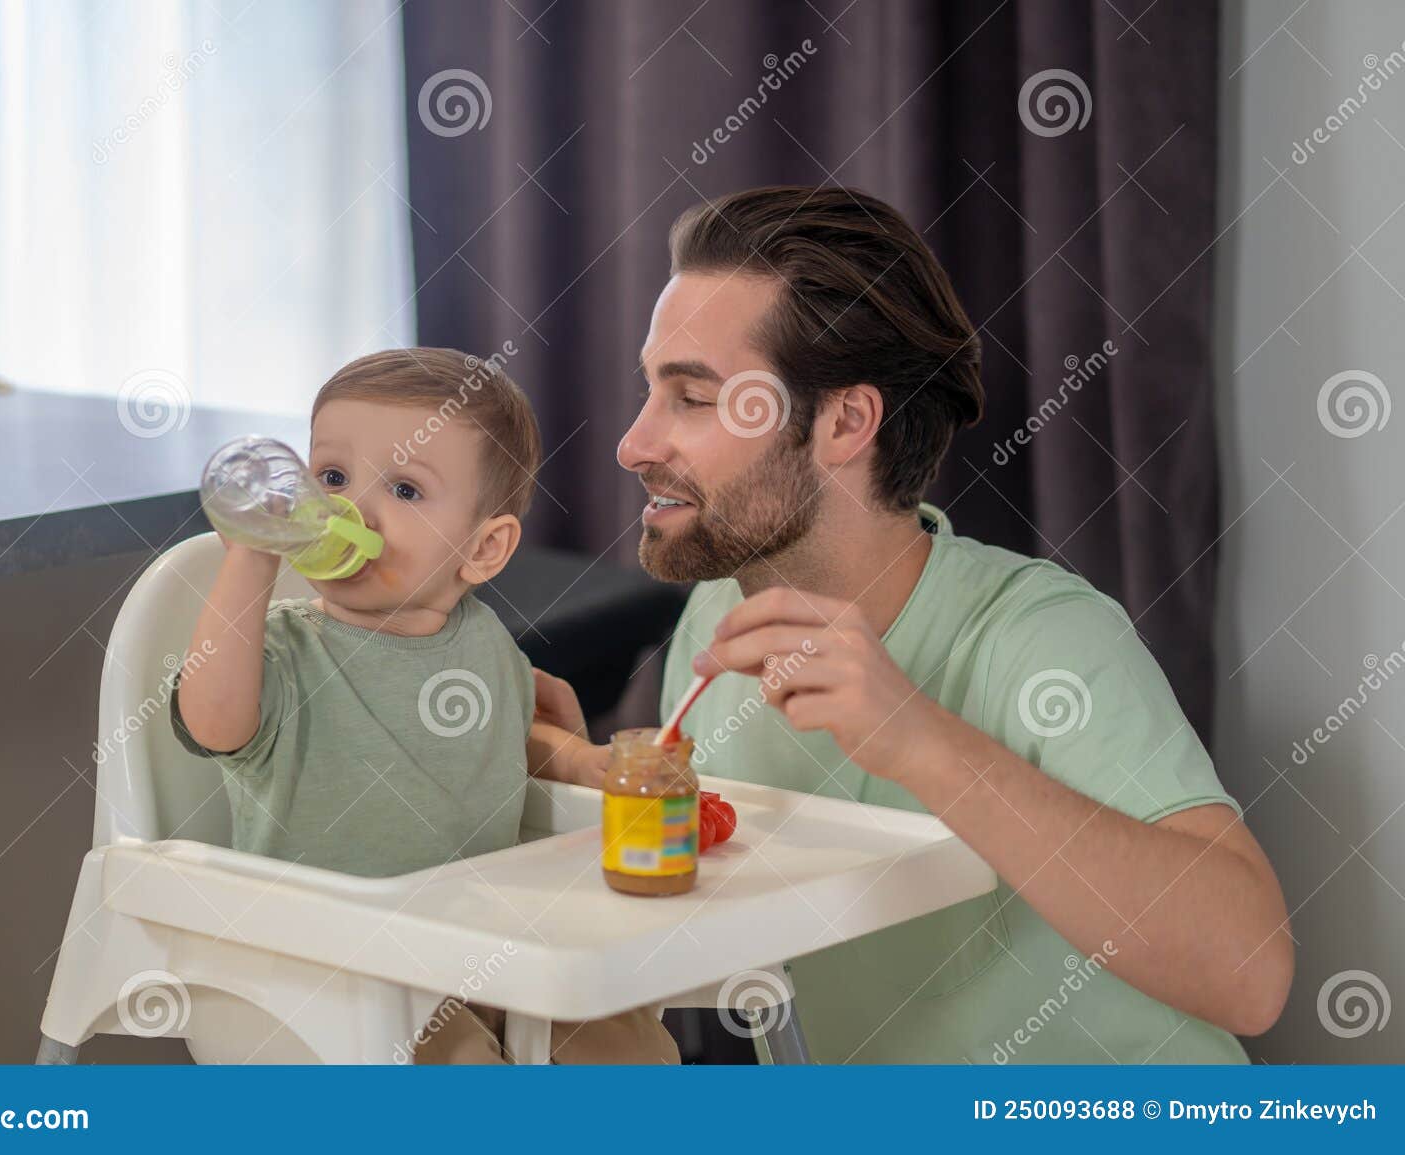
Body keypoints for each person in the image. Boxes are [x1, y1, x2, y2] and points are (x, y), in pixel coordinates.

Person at [541, 185, 1293, 1063]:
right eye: (650, 391)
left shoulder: (1042, 634)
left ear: (847, 421)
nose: (633, 443)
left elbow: (1253, 974)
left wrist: (918, 741)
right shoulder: (722, 621)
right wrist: (565, 785)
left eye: (693, 398)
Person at [171, 347, 678, 1065]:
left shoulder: (487, 644)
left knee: (627, 1041)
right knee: (461, 1062)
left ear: (483, 549)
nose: (349, 507)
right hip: (327, 966)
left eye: (404, 489)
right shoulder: (284, 651)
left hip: (475, 942)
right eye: (332, 477)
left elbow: (502, 736)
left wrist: (584, 759)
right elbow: (214, 722)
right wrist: (251, 558)